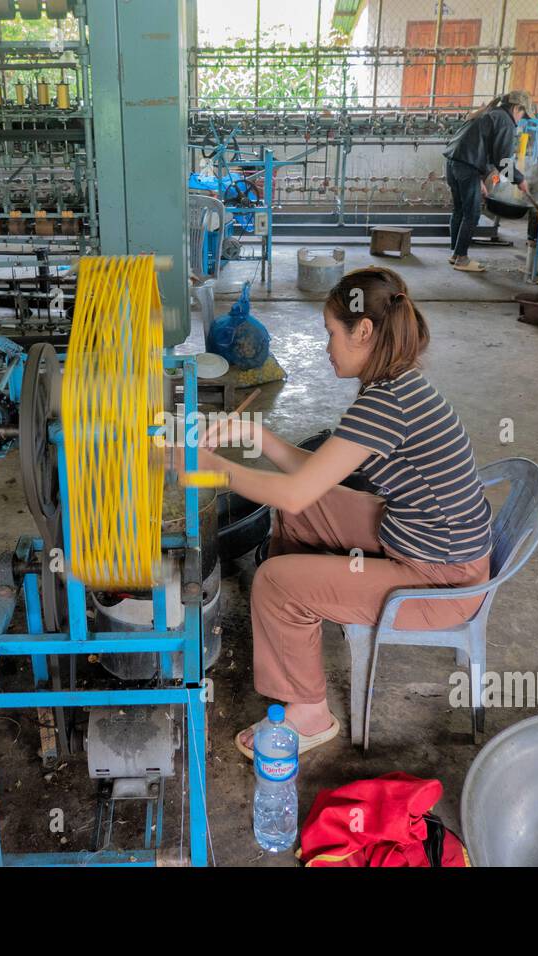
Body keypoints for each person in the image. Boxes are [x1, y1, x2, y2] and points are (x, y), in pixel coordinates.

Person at [178, 267, 493, 758]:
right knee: (305, 514)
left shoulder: (386, 404)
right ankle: (298, 625)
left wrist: (211, 469)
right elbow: (317, 479)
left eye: (331, 333)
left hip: (443, 582)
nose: (326, 347)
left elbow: (295, 492)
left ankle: (308, 713)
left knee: (276, 580)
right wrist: (260, 438)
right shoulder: (397, 387)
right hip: (422, 539)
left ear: (363, 331)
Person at [442, 90, 534, 273]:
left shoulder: (489, 113)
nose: (522, 119)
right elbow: (503, 160)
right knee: (472, 213)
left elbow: (481, 149)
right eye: (523, 114)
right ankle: (462, 258)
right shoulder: (505, 121)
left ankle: (455, 254)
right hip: (466, 166)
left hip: (453, 163)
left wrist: (481, 178)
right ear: (517, 108)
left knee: (460, 209)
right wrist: (519, 180)